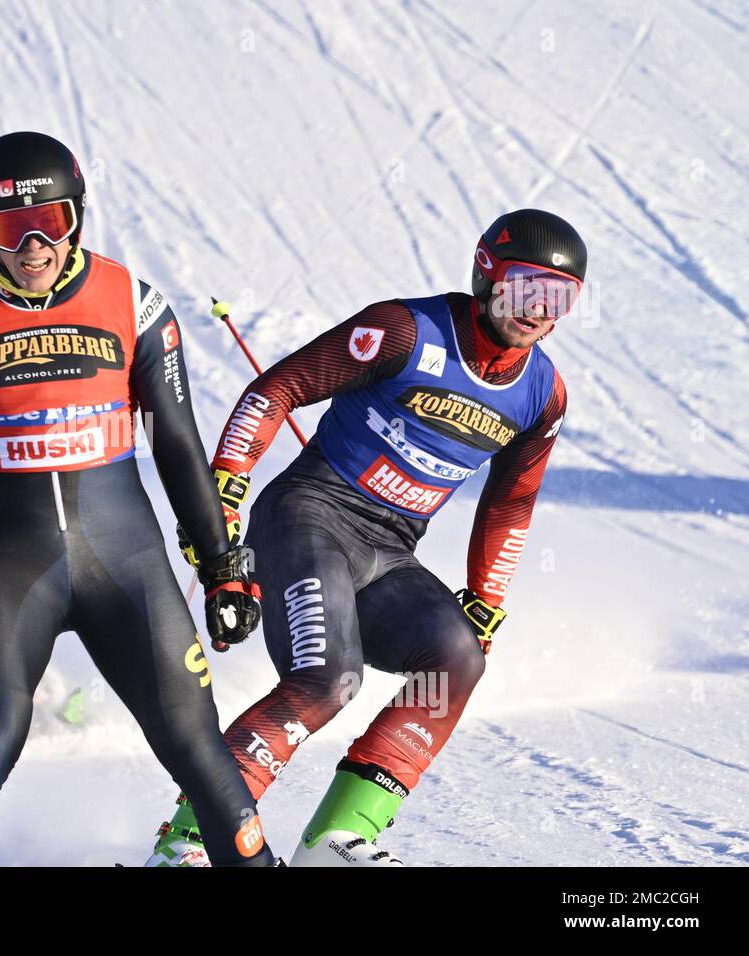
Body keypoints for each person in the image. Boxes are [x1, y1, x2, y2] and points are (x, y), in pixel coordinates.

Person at [0, 131, 274, 866]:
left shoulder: (134, 304)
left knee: (195, 745)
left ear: (78, 216)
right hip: (13, 569)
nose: (33, 246)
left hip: (126, 562)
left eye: (52, 223)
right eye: (9, 229)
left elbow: (178, 446)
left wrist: (223, 568)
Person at [147, 209, 585, 866]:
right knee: (328, 680)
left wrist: (487, 598)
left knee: (457, 659)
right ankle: (187, 842)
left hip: (387, 552)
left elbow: (512, 501)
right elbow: (278, 389)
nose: (537, 310)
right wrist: (226, 488)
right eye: (527, 287)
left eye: (558, 298)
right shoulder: (404, 330)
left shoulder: (542, 394)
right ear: (488, 273)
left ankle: (339, 837)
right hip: (307, 516)